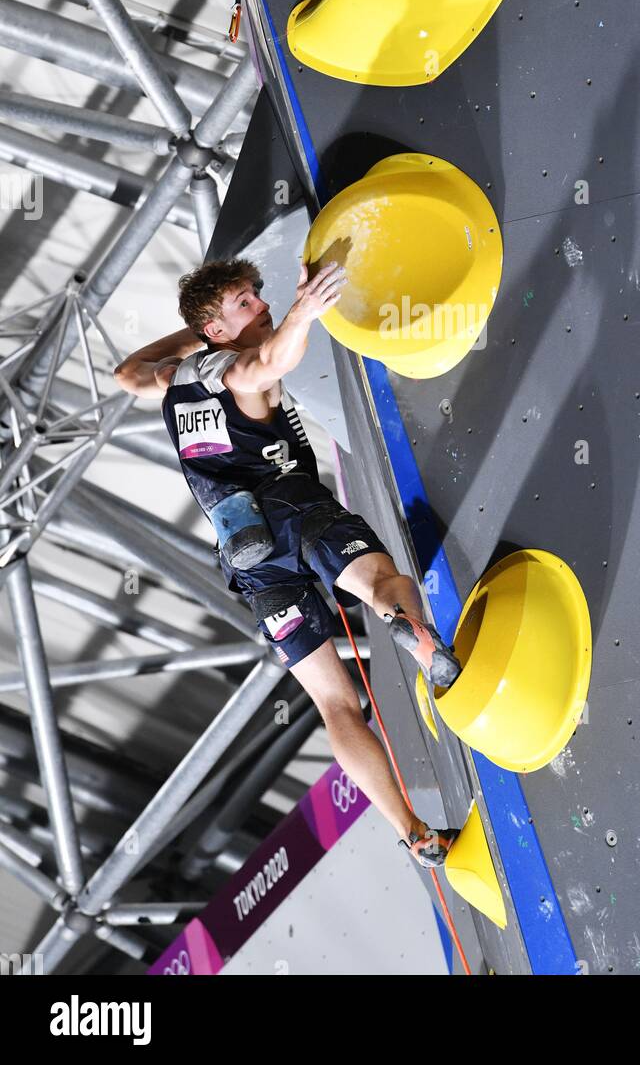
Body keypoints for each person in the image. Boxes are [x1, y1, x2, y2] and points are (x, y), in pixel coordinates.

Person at [113, 256, 462, 867]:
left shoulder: (176, 379)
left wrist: (202, 332)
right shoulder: (233, 369)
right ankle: (418, 641)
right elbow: (266, 364)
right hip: (294, 509)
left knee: (335, 705)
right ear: (218, 330)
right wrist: (305, 309)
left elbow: (125, 373)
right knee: (385, 583)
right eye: (244, 301)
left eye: (256, 293)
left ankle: (413, 832)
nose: (262, 303)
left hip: (249, 558)